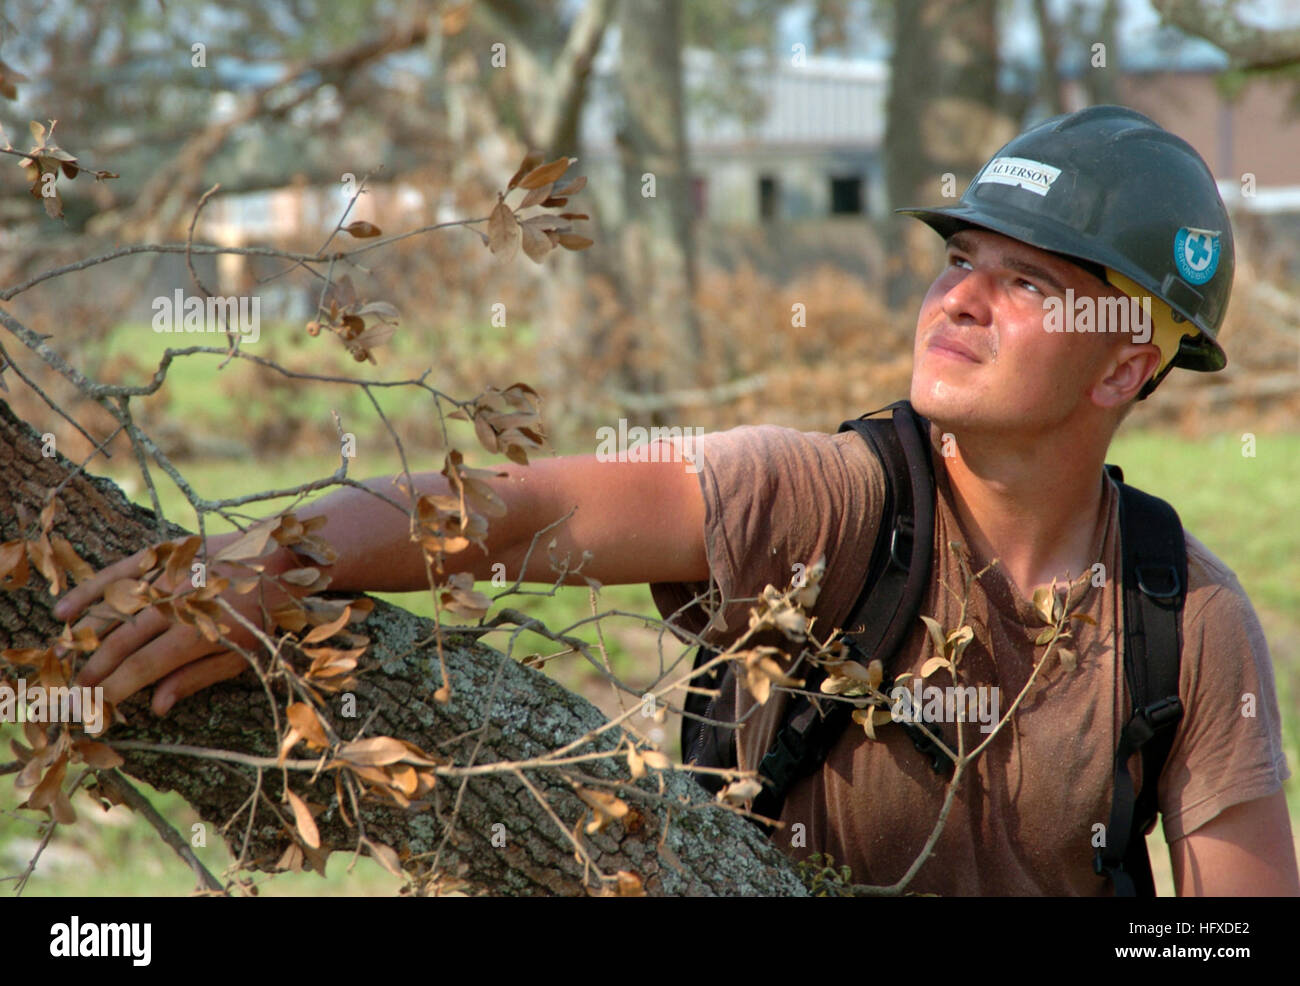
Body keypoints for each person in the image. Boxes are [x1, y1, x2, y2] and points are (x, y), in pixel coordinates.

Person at [54, 106, 1297, 896]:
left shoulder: (1182, 616)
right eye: (958, 261)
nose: (956, 299)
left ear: (1126, 360)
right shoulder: (830, 503)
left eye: (1022, 280)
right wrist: (272, 559)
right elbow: (510, 508)